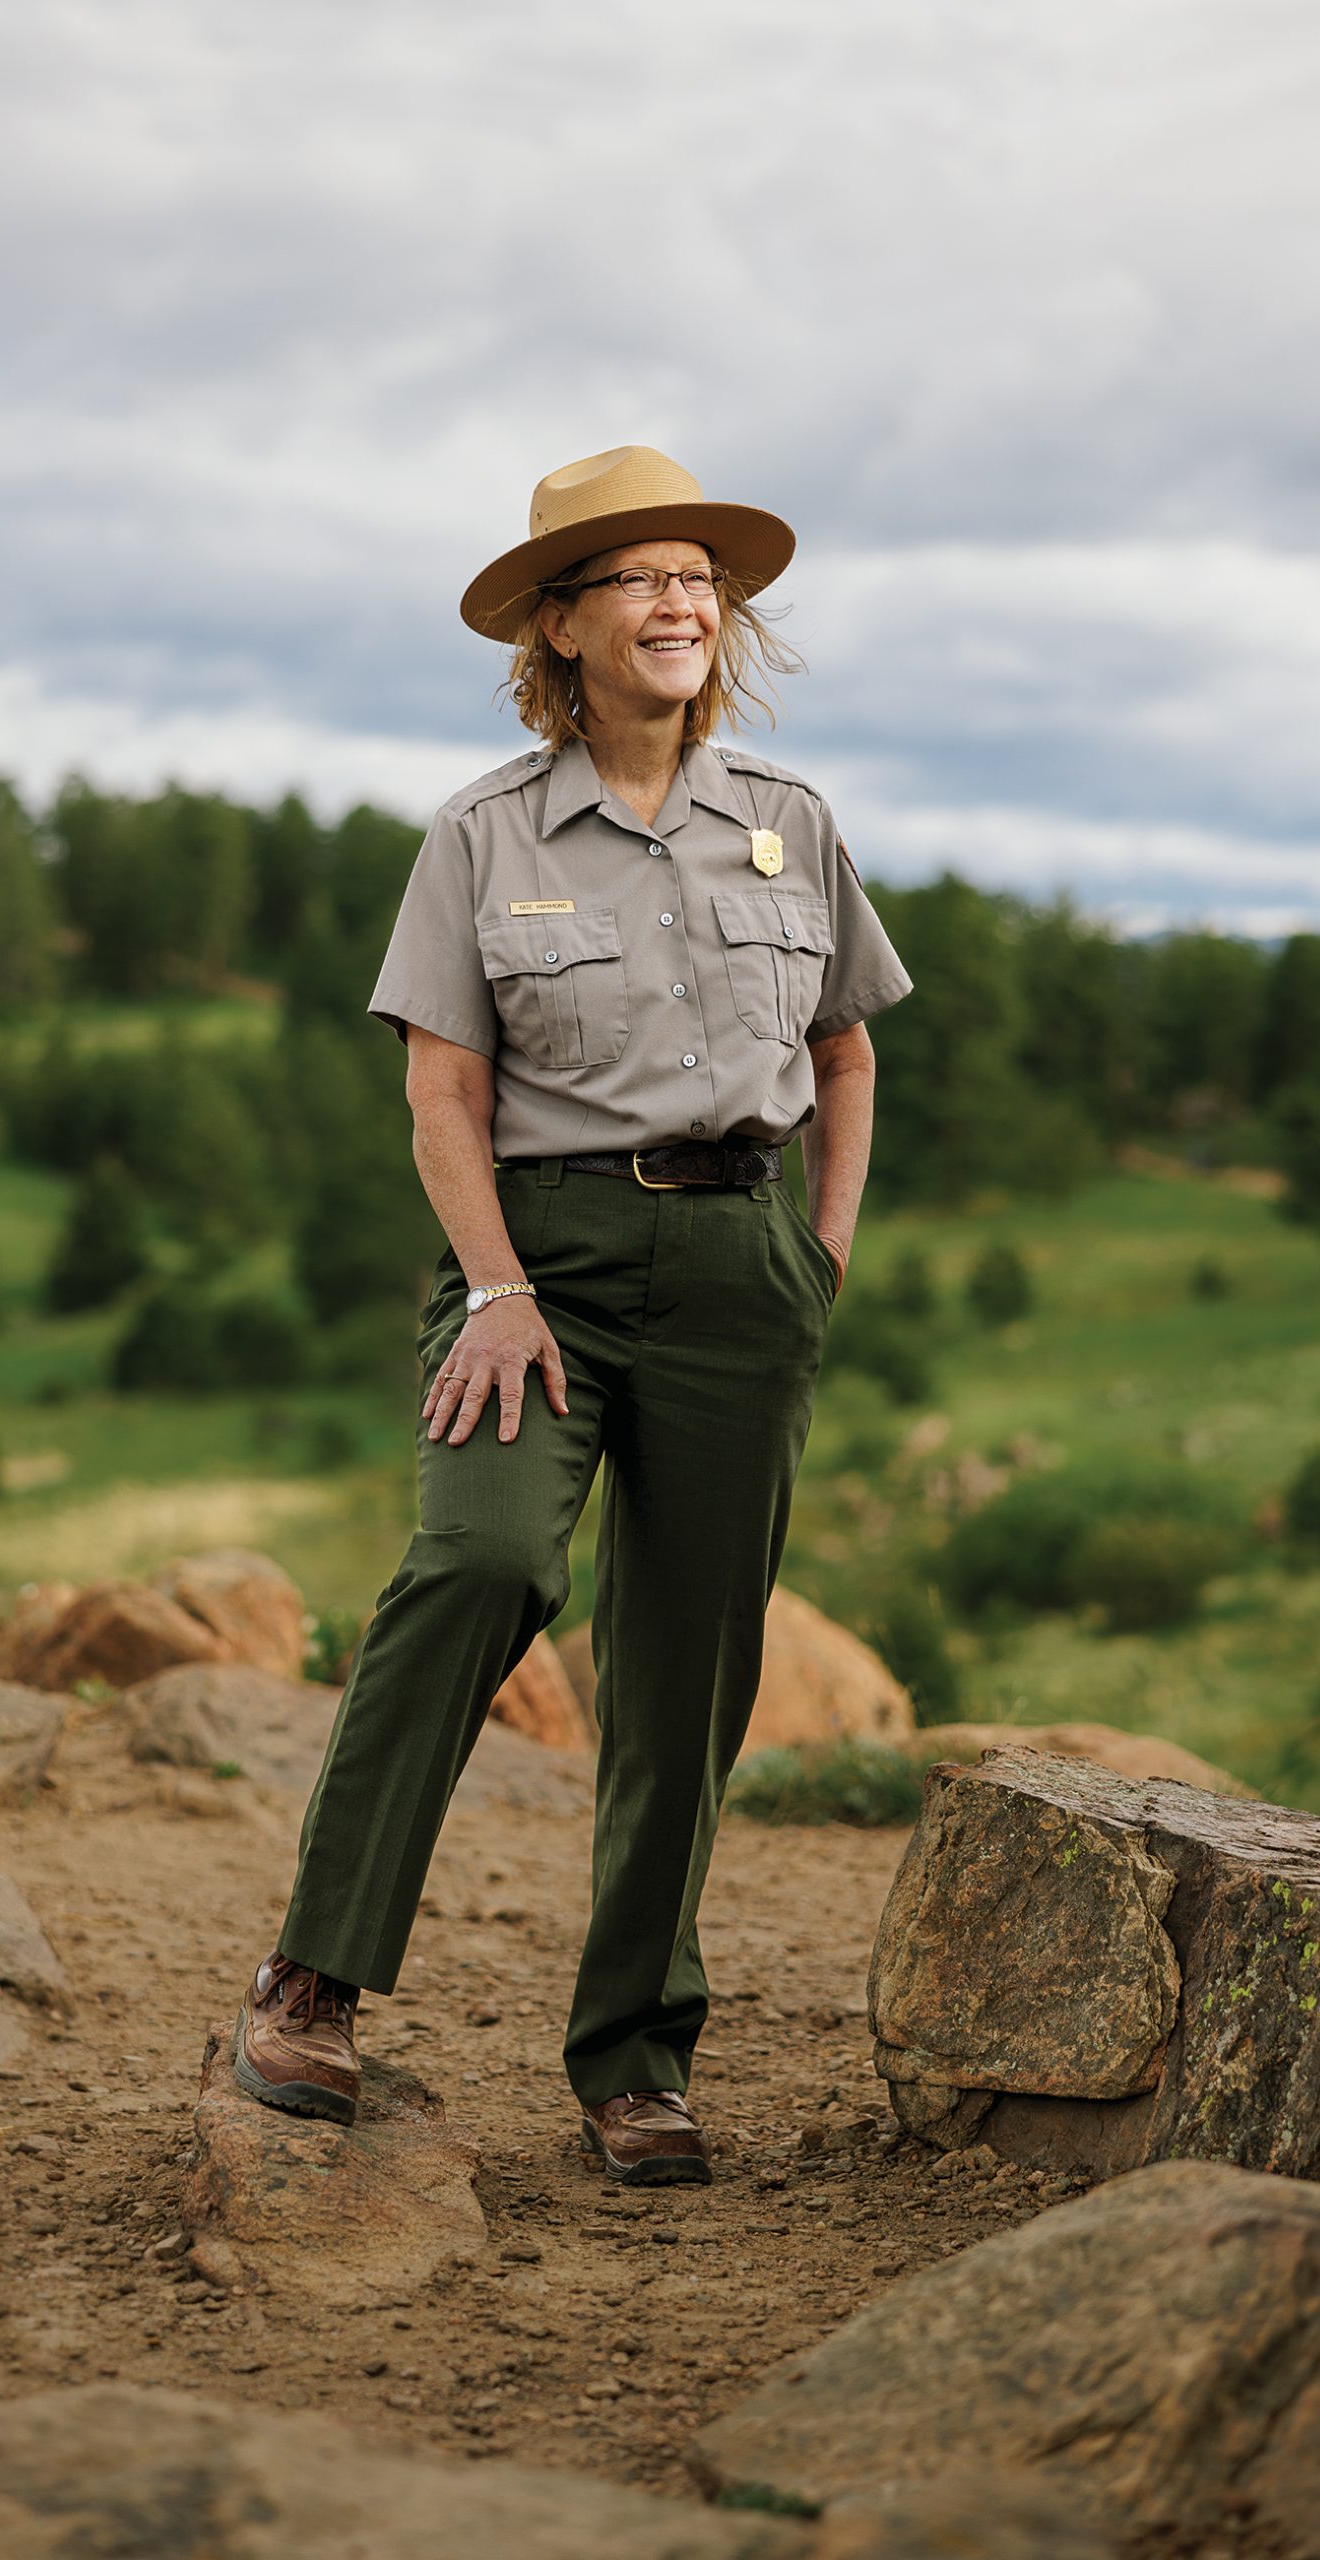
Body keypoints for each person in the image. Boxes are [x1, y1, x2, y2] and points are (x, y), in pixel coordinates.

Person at [234, 445, 913, 2185]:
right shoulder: (479, 837)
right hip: (536, 1262)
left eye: (703, 577)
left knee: (687, 1669)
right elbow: (442, 1102)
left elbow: (846, 1056)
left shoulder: (796, 821)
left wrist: (815, 1261)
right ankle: (313, 1978)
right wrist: (496, 1289)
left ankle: (635, 2061)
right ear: (562, 623)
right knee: (481, 1561)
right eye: (641, 578)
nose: (683, 602)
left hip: (740, 1269)